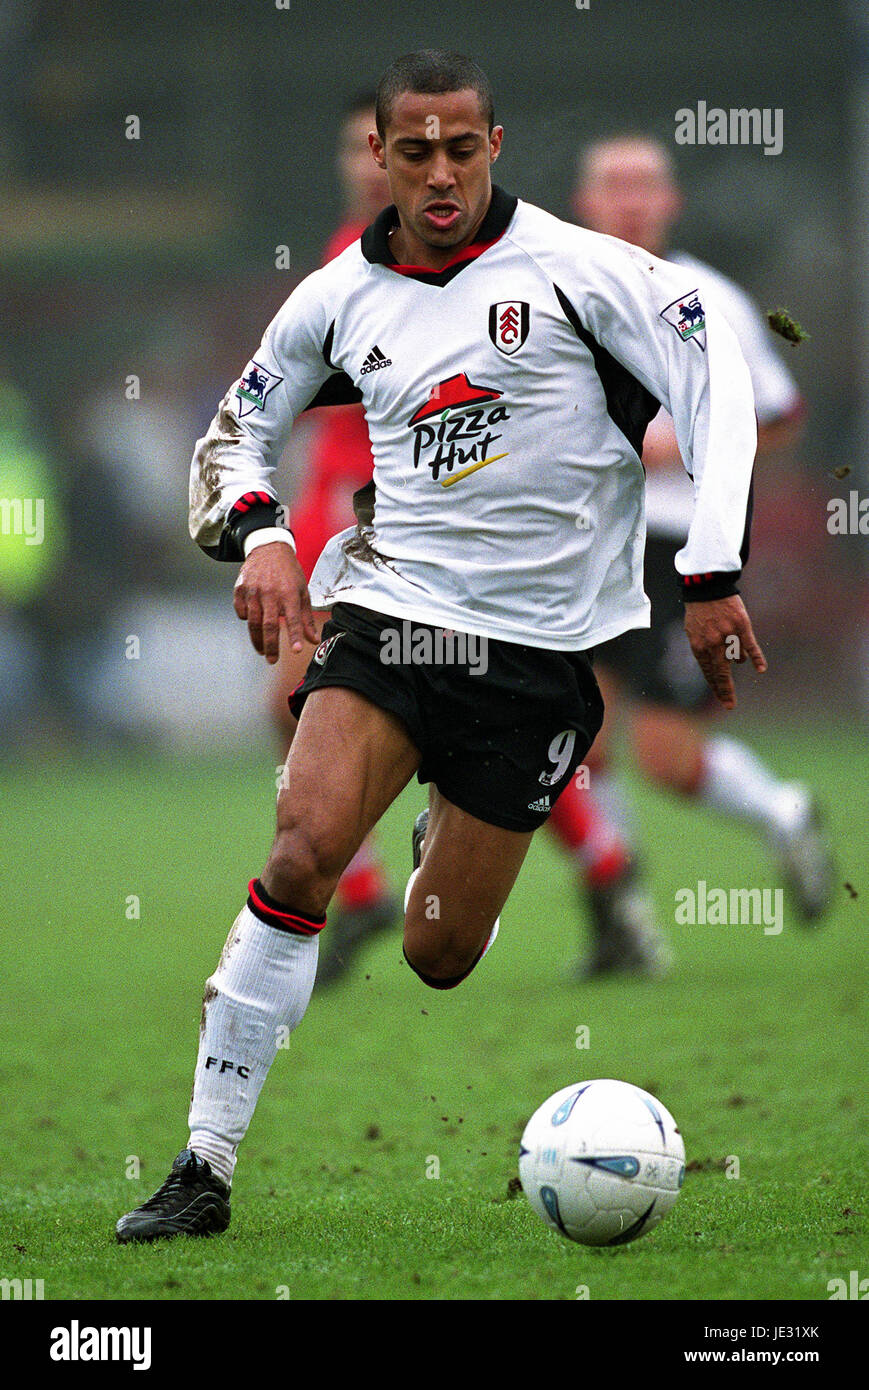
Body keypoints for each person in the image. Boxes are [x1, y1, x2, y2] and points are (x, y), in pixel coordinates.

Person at [117, 50, 764, 1243]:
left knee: (438, 954)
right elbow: (234, 429)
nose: (437, 173)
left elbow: (712, 377)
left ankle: (441, 842)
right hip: (391, 614)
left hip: (539, 657)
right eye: (411, 152)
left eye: (459, 149)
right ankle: (202, 1164)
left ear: (493, 148)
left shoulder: (583, 271)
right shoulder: (333, 294)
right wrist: (258, 538)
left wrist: (711, 572)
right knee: (304, 847)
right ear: (380, 156)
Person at [567, 134, 833, 966]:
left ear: (670, 201)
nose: (630, 200)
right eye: (613, 184)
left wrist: (674, 440)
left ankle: (782, 812)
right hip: (579, 544)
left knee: (661, 755)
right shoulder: (555, 290)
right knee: (566, 737)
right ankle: (621, 921)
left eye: (645, 184)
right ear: (585, 202)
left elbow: (780, 413)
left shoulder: (704, 297)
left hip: (675, 547)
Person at [269, 93, 399, 986]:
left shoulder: (437, 265)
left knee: (461, 712)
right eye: (352, 147)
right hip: (329, 512)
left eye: (377, 147)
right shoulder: (338, 257)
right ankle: (360, 889)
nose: (364, 163)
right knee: (292, 706)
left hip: (389, 514)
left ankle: (362, 890)